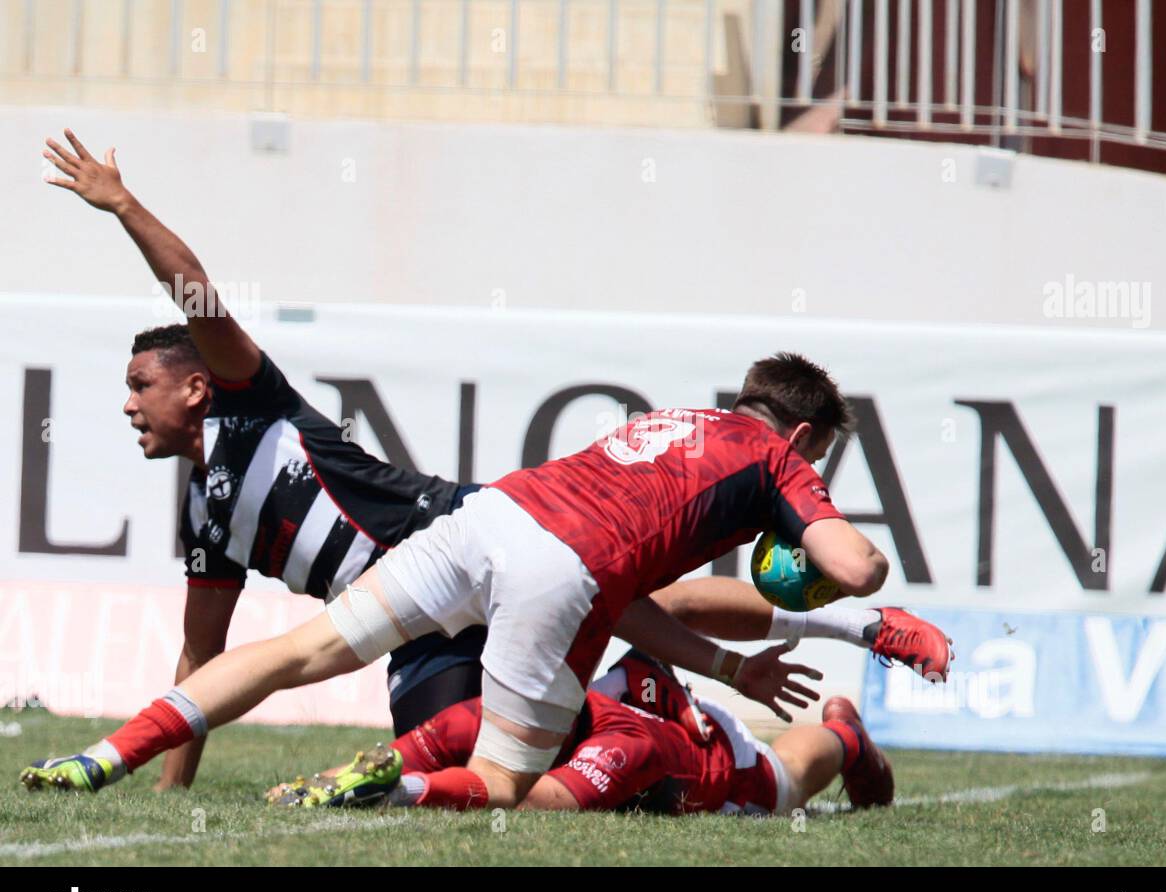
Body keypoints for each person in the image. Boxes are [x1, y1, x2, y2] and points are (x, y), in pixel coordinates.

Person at [28, 149, 952, 808]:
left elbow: (197, 294)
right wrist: (166, 802)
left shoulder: (253, 400)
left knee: (317, 657)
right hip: (478, 597)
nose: (127, 404)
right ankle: (429, 780)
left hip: (468, 530)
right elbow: (202, 649)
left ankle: (109, 760)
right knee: (512, 769)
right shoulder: (204, 510)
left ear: (197, 385)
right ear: (798, 435)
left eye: (139, 385)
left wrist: (122, 204)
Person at [266, 651, 894, 816]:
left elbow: (539, 800)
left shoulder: (621, 745)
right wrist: (316, 786)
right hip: (672, 719)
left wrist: (406, 792)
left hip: (726, 771)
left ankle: (847, 736)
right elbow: (392, 754)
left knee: (789, 777)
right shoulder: (506, 709)